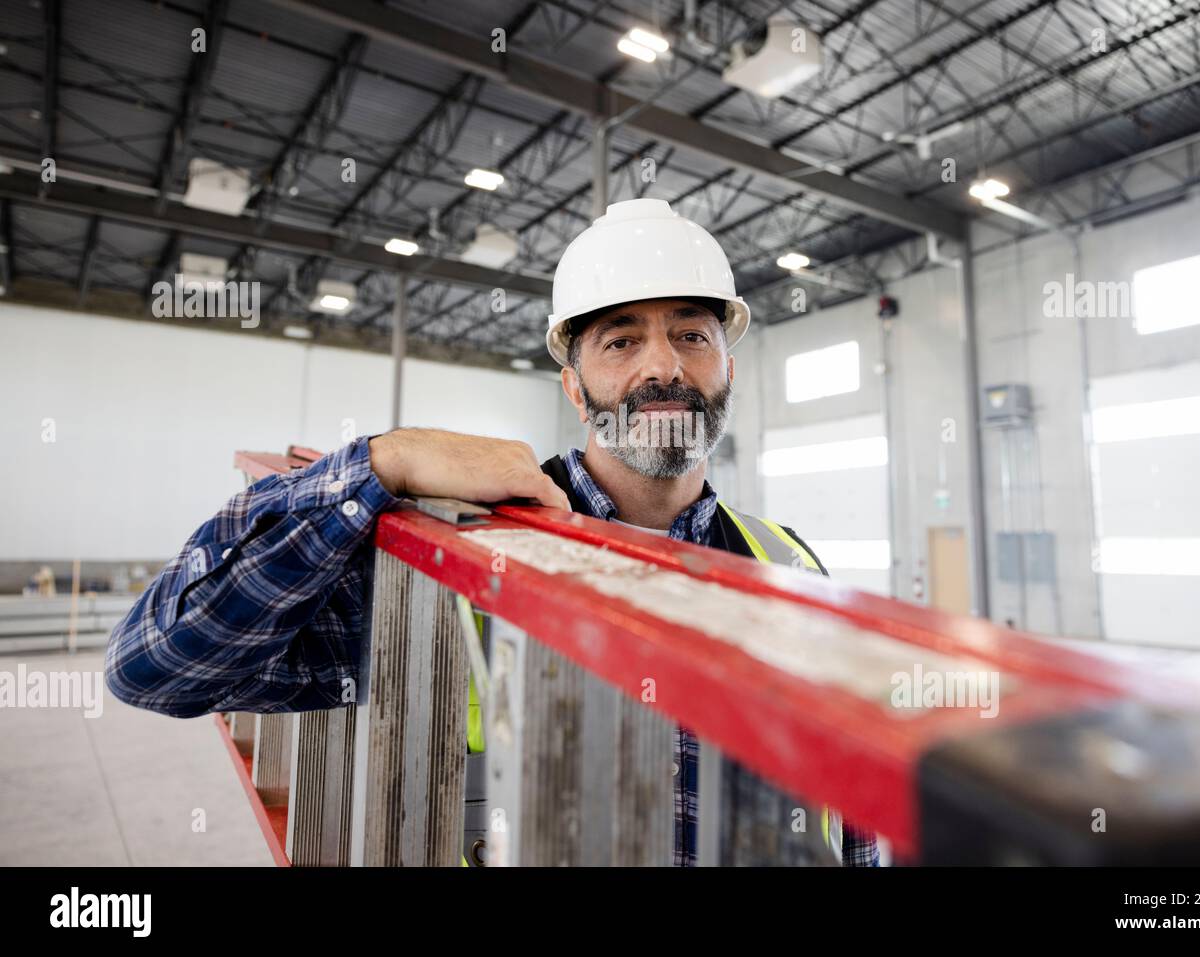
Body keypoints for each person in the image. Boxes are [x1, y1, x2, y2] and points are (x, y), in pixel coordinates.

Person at [106, 197, 879, 866]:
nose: (664, 367)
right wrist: (384, 459)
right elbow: (155, 663)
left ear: (729, 371)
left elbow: (853, 814)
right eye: (621, 340)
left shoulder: (787, 562)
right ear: (575, 388)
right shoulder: (450, 564)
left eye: (692, 335)